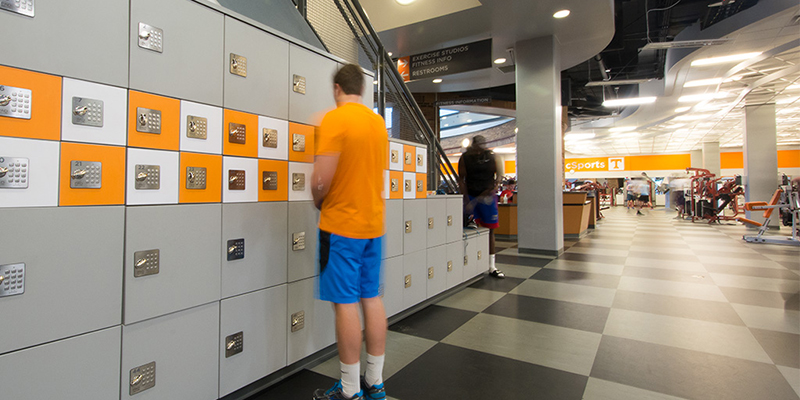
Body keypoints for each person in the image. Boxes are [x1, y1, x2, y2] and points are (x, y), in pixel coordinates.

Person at [312, 64, 388, 400]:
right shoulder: (377, 123)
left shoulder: (335, 119)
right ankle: (375, 382)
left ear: (338, 88)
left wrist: (317, 199)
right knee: (370, 297)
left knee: (344, 303)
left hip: (341, 225)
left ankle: (348, 390)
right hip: (373, 224)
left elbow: (322, 178)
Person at [458, 135, 505, 278]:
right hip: (471, 195)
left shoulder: (492, 156)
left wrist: (493, 188)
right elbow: (461, 179)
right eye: (477, 144)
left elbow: (498, 177)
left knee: (490, 230)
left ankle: (491, 266)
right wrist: (466, 198)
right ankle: (472, 264)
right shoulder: (465, 157)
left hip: (487, 197)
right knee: (471, 229)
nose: (480, 147)